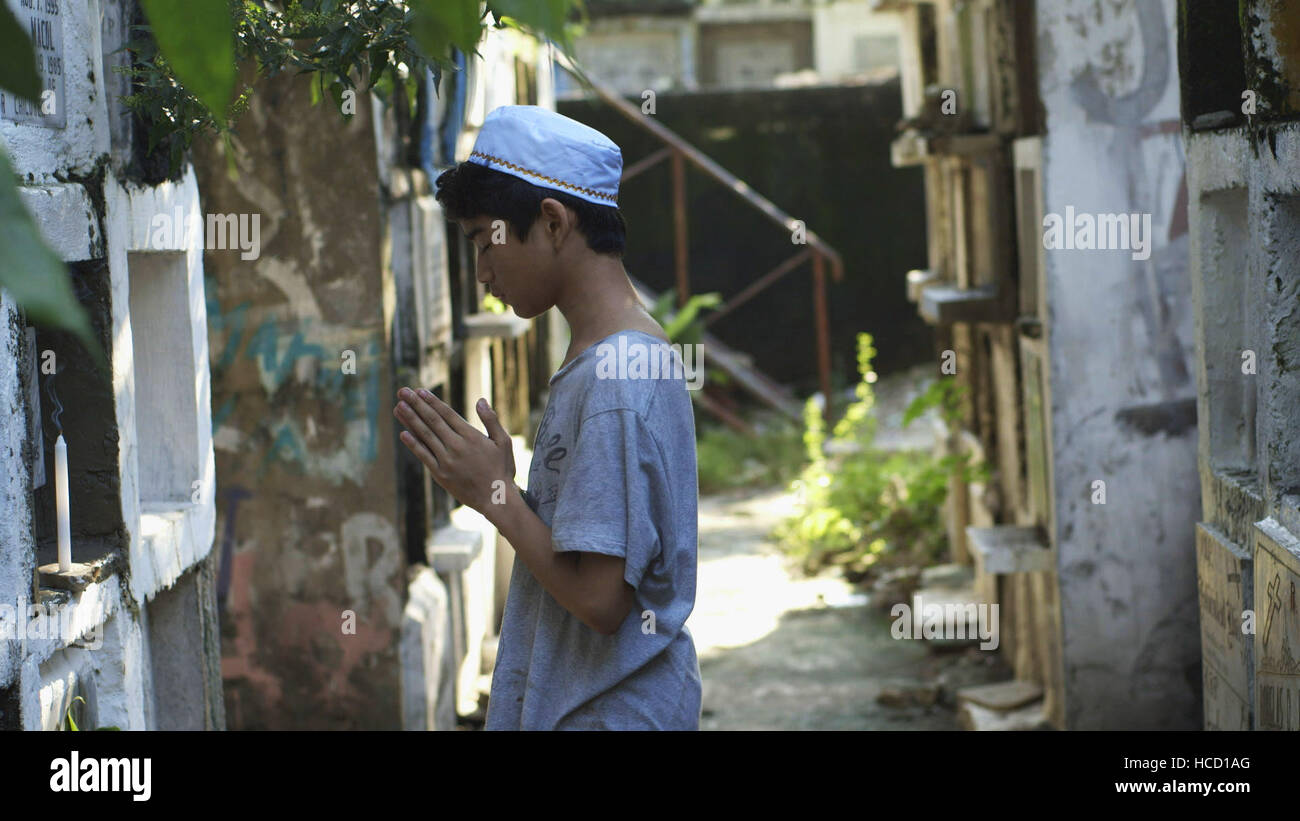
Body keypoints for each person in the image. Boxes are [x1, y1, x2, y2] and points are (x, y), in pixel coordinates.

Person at [392, 105, 702, 730]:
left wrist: (495, 496)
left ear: (553, 222)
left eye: (487, 240)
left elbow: (600, 600)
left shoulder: (616, 377)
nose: (482, 271)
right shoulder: (609, 358)